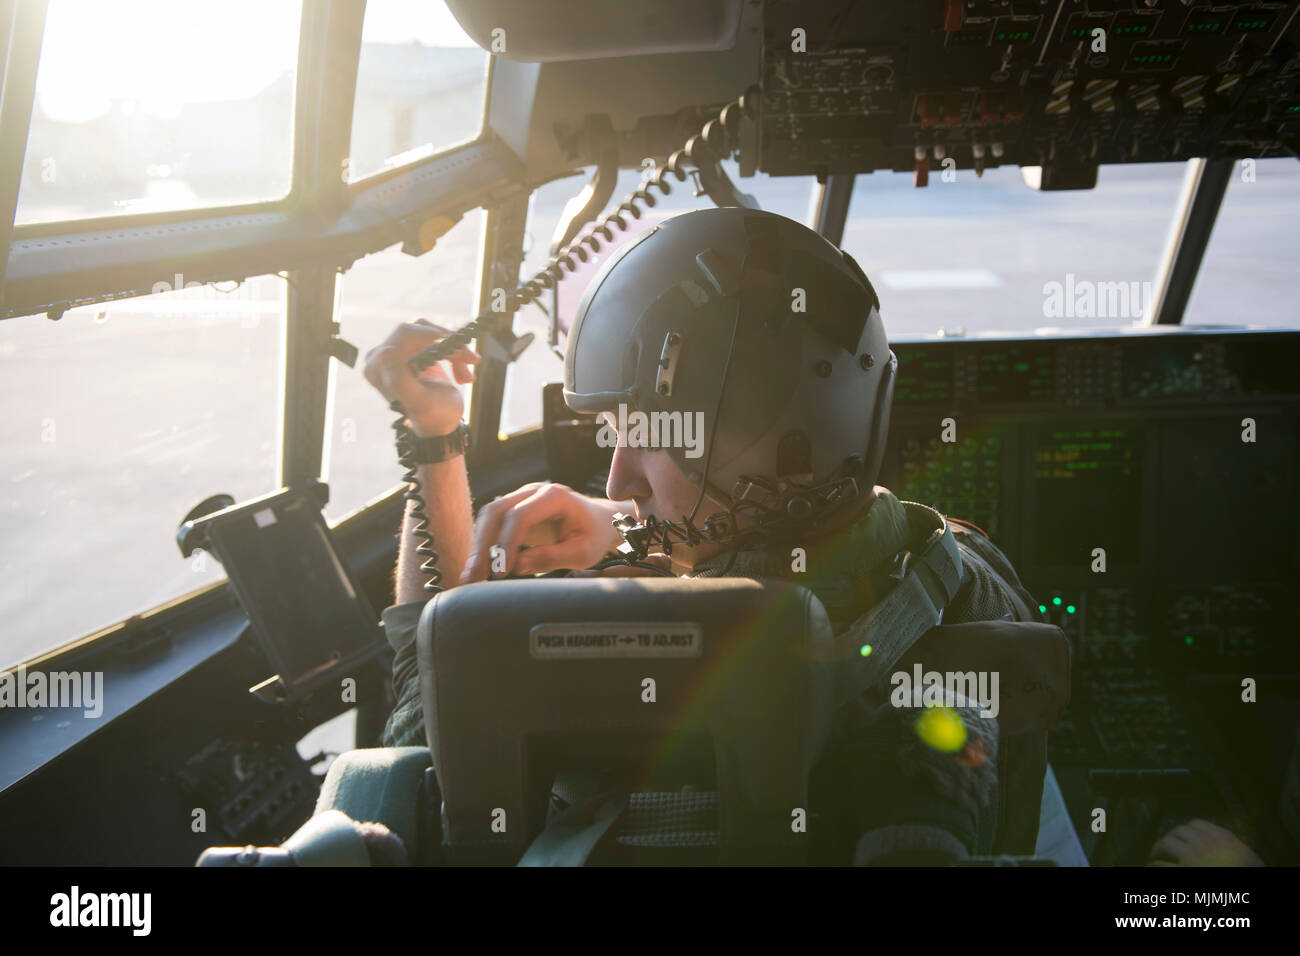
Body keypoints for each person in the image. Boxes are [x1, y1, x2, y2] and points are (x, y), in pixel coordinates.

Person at [363, 207, 1045, 863]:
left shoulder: (639, 662)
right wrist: (626, 534)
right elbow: (791, 548)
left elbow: (424, 702)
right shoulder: (962, 575)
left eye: (647, 436)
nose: (617, 482)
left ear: (777, 444)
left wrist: (435, 438)